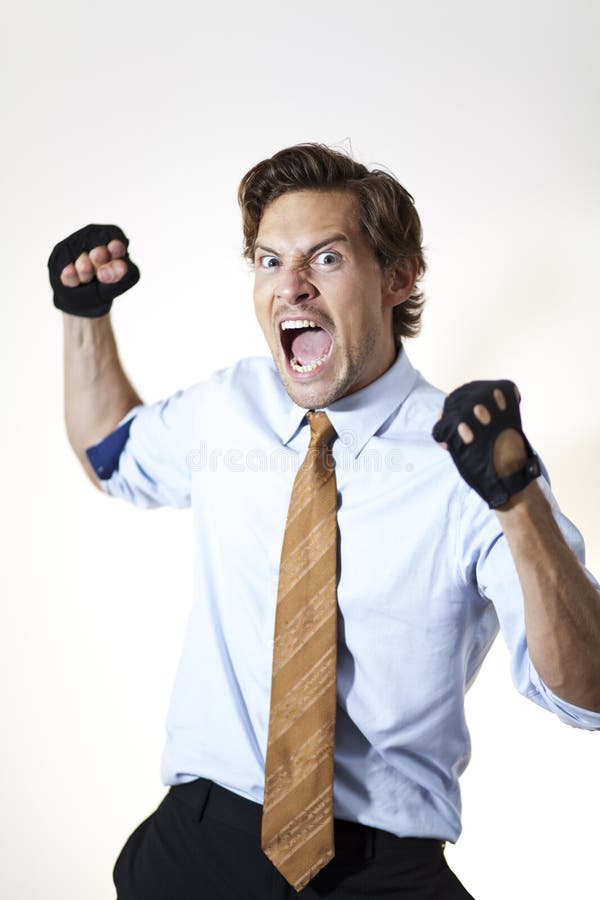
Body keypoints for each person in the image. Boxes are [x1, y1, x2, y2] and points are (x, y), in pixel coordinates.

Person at [49, 143, 600, 900]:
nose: (291, 287)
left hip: (380, 869)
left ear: (397, 278)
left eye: (327, 259)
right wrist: (85, 317)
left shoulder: (471, 460)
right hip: (201, 845)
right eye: (270, 261)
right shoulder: (230, 408)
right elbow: (111, 455)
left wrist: (519, 500)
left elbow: (587, 691)